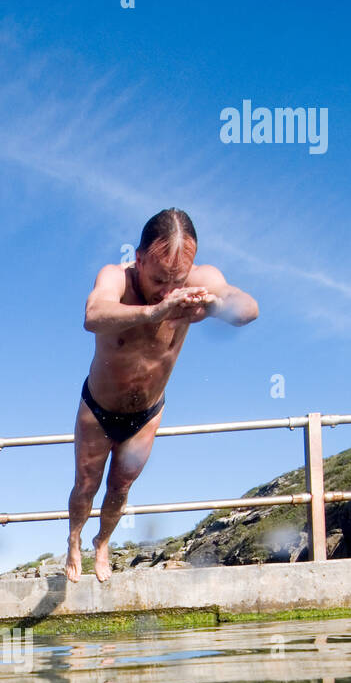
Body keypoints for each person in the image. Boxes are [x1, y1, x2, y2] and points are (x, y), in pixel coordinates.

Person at [67, 209, 259, 583]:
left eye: (177, 280)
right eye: (158, 279)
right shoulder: (116, 278)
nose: (169, 290)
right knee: (86, 486)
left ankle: (101, 542)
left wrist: (214, 306)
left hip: (147, 412)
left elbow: (249, 309)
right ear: (139, 260)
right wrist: (155, 311)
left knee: (121, 486)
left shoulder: (201, 280)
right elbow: (92, 314)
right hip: (98, 408)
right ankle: (73, 538)